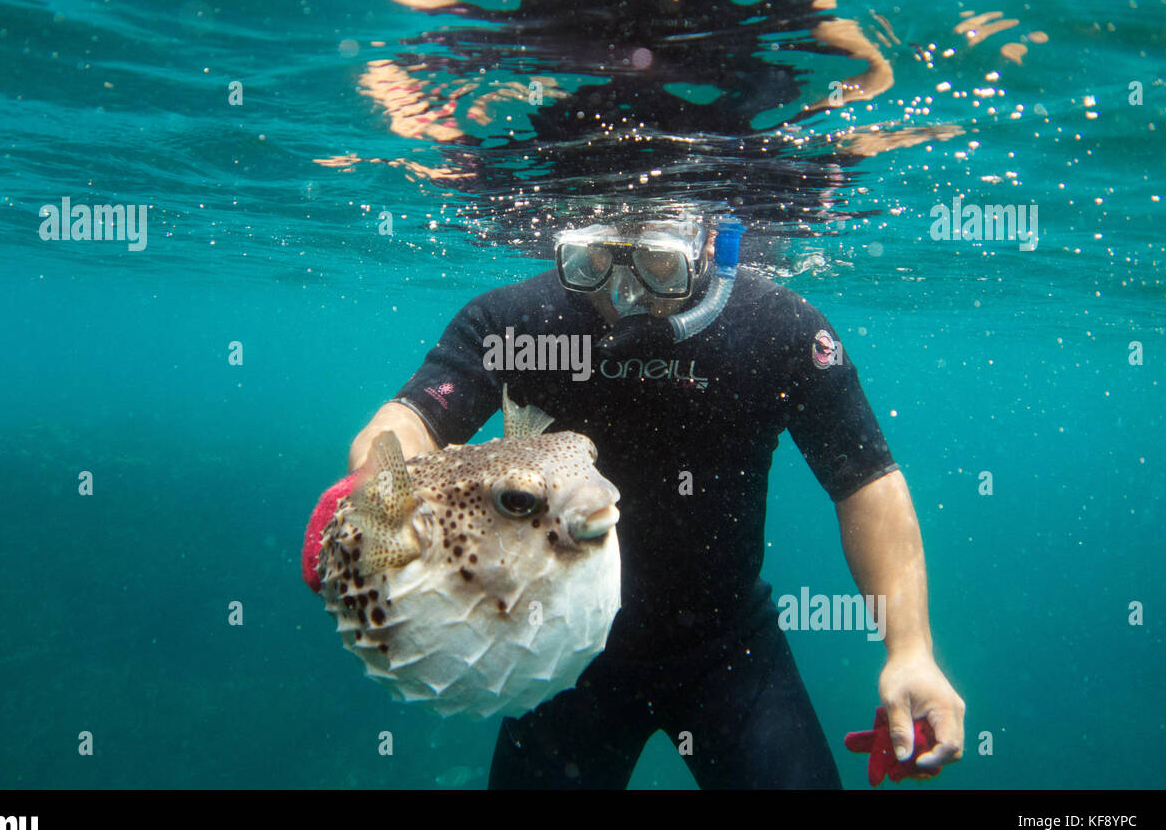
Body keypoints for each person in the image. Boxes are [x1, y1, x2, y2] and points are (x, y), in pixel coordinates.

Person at [344, 211, 966, 788]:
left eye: (658, 264)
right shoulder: (516, 322)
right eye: (592, 263)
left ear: (707, 243)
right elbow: (411, 422)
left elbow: (865, 481)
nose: (622, 294)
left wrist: (911, 650)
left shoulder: (775, 326)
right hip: (559, 649)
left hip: (728, 649)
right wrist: (372, 495)